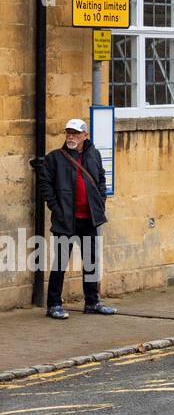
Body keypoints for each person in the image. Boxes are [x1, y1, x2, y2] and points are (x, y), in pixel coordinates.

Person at [37, 118, 115, 319]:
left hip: (88, 219)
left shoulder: (93, 154)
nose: (71, 137)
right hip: (66, 220)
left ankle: (92, 302)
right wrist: (56, 207)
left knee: (91, 263)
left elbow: (101, 179)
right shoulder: (55, 158)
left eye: (75, 133)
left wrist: (101, 202)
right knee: (60, 263)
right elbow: (44, 184)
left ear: (85, 136)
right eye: (68, 133)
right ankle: (53, 305)